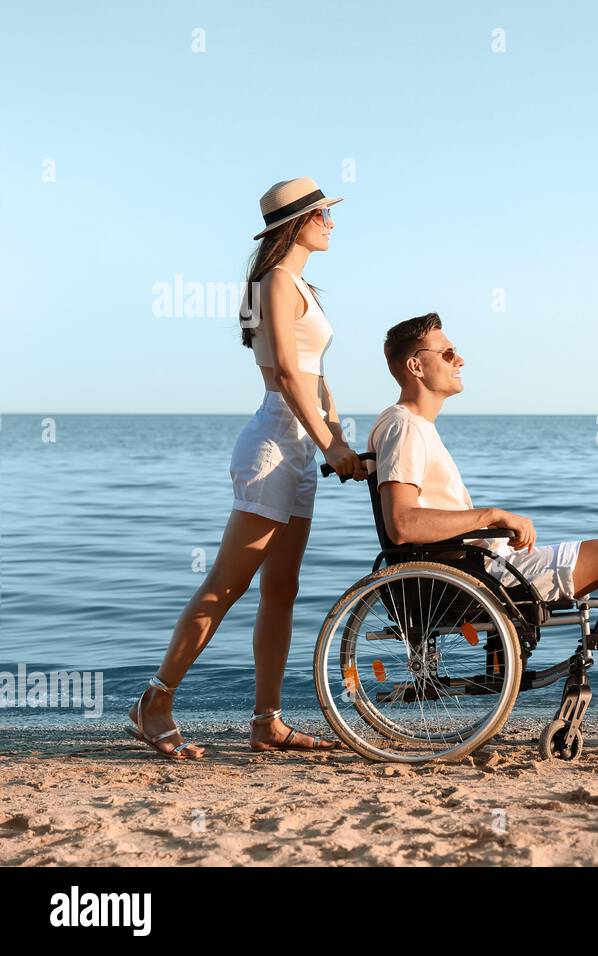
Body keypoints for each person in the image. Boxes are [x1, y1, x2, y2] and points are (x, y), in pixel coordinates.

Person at [367, 313, 598, 753]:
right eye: (446, 352)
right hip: (478, 577)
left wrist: (491, 523)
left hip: (476, 567)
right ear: (416, 367)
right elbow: (402, 524)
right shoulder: (405, 427)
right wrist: (490, 515)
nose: (460, 358)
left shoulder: (413, 427)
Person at [126, 177, 367, 759]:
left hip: (301, 449)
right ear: (298, 223)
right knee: (226, 586)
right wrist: (327, 443)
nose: (331, 223)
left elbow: (314, 374)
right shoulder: (276, 283)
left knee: (281, 591)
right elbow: (286, 373)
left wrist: (336, 435)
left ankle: (267, 721)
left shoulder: (298, 285)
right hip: (272, 450)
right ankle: (153, 702)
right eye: (323, 215)